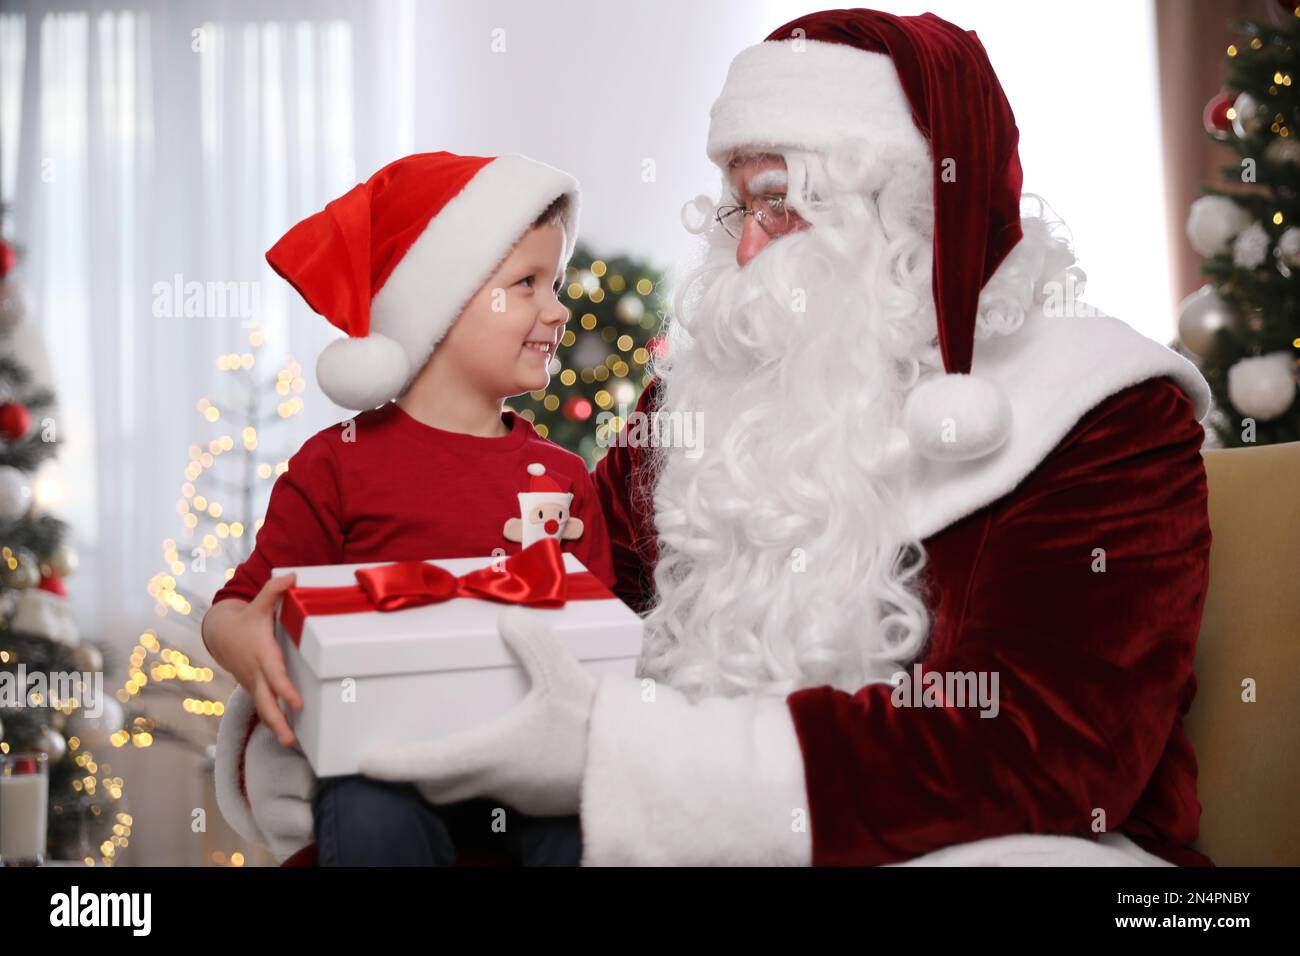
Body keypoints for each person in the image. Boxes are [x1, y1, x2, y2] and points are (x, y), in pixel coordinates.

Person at [222, 10, 1214, 867]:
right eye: (735, 205)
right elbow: (545, 592)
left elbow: (1052, 747)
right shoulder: (707, 399)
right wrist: (338, 699)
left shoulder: (1099, 408)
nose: (741, 248)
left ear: (906, 208)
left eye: (777, 204)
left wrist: (618, 757)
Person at [206, 151, 614, 865]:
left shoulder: (562, 475)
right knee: (369, 815)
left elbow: (597, 647)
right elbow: (239, 606)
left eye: (556, 283)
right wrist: (239, 638)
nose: (557, 310)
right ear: (443, 303)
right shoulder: (338, 463)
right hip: (383, 763)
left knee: (581, 830)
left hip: (526, 771)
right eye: (527, 285)